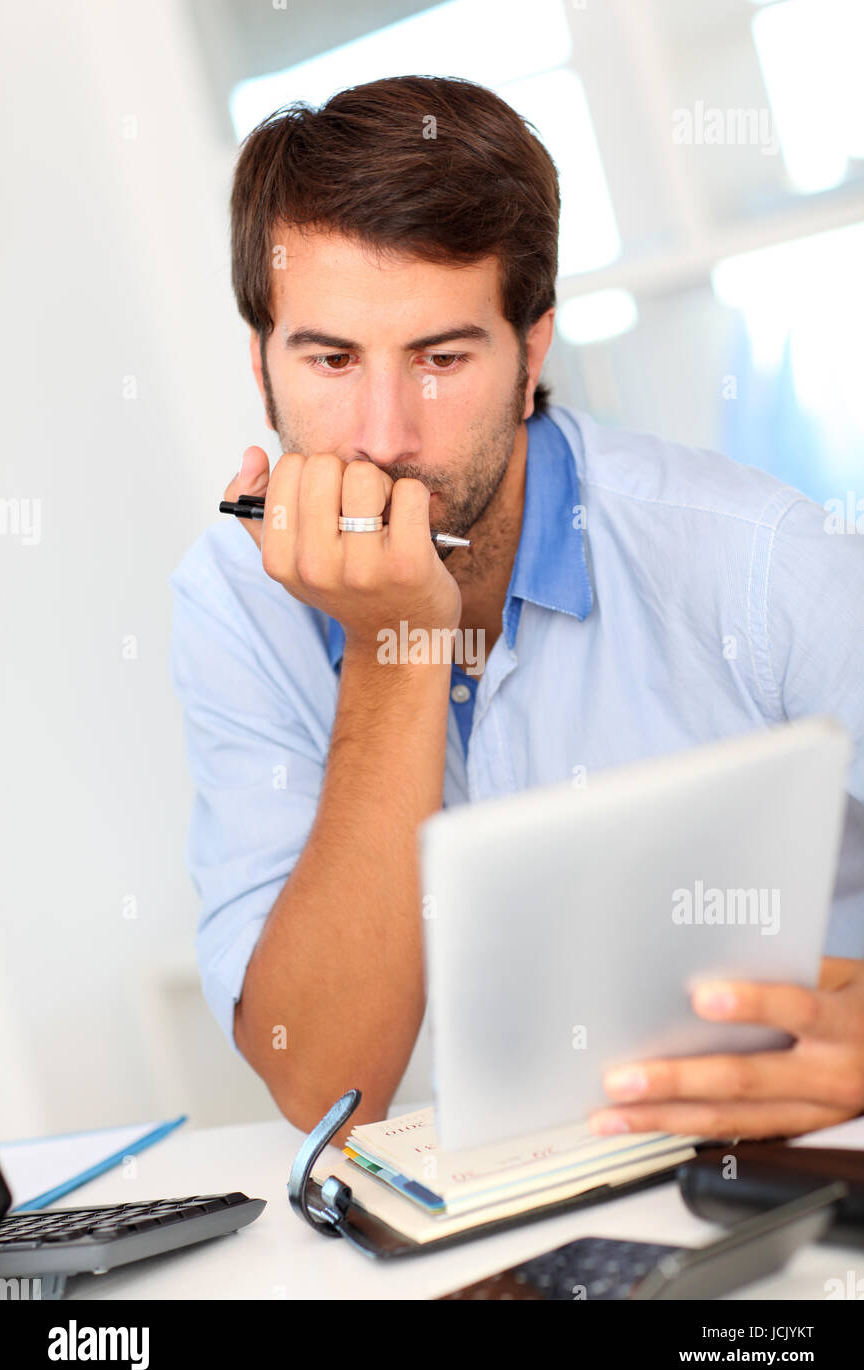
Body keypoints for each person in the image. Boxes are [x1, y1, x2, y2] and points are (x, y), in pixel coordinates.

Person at [170, 75, 864, 1147]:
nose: (384, 435)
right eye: (331, 359)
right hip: (532, 1191)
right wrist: (393, 648)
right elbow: (321, 1082)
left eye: (441, 359)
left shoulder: (758, 558)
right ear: (262, 364)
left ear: (531, 354)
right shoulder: (231, 603)